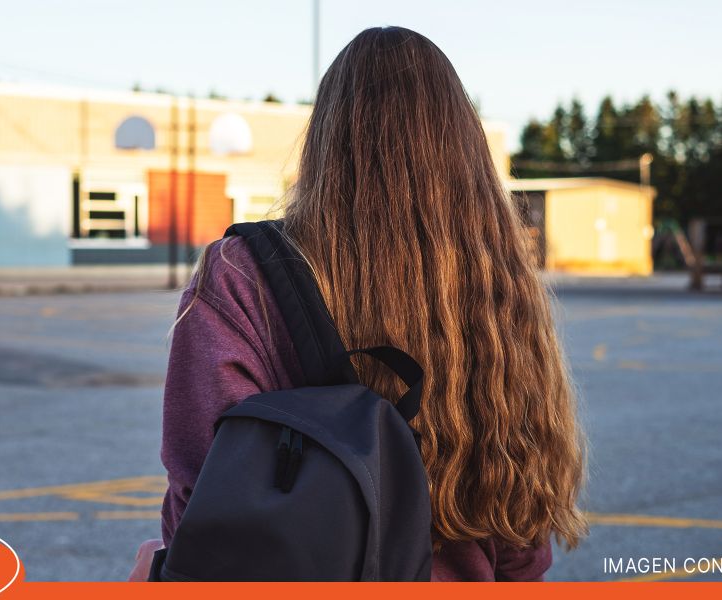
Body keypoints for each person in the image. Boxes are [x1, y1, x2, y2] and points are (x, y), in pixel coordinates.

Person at [130, 25, 585, 582]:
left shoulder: (241, 274)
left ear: (326, 138)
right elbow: (523, 532)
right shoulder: (496, 280)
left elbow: (201, 491)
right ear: (463, 148)